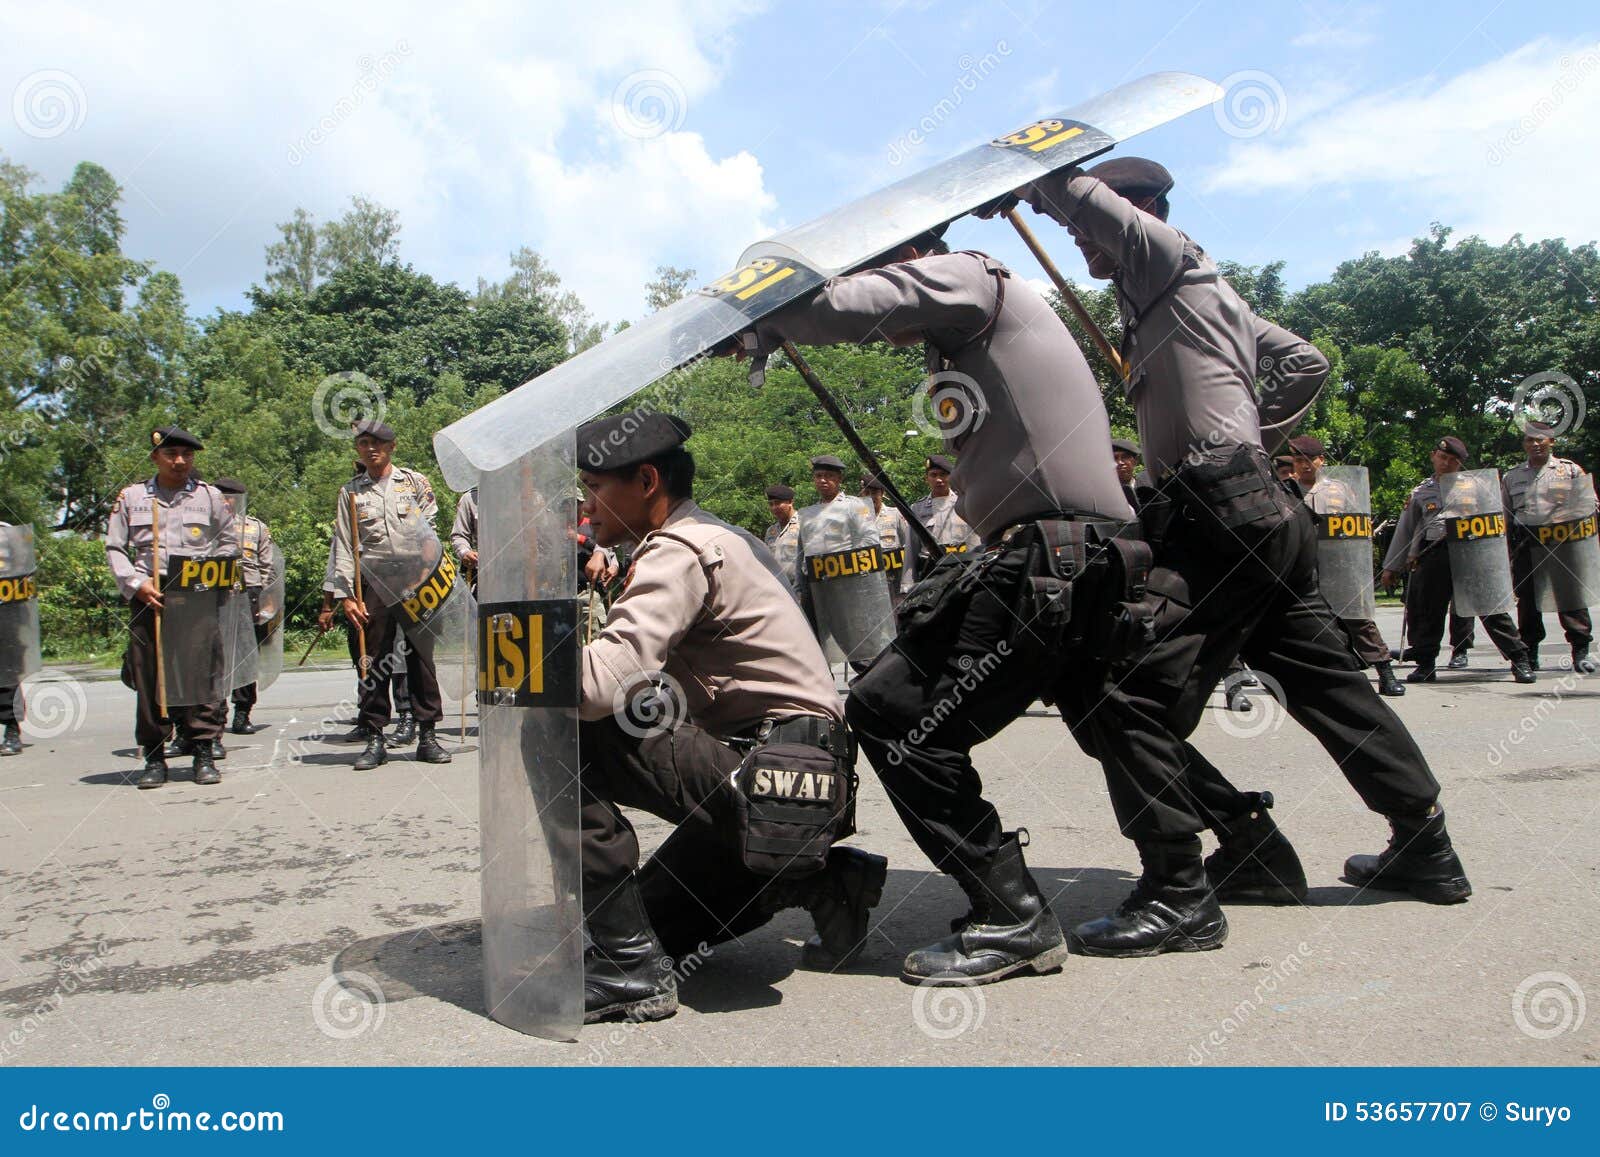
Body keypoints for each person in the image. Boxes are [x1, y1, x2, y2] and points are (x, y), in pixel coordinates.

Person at [1013, 156, 1471, 943]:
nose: (1080, 240)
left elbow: (1082, 194)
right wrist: (1249, 438)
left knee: (1119, 694)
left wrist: (1029, 183)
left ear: (1142, 211)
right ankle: (1425, 841)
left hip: (1217, 518)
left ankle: (1180, 890)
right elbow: (1304, 361)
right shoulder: (1193, 296)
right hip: (1257, 510)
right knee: (1330, 686)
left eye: (1088, 228)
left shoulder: (1164, 256)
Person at [747, 228, 1144, 983]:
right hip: (1066, 556)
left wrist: (758, 308)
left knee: (893, 714)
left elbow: (851, 305)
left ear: (909, 256)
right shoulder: (969, 333)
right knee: (1117, 718)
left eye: (879, 269)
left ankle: (1014, 914)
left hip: (1051, 558)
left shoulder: (970, 277)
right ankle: (1211, 863)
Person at [574, 410, 886, 1022]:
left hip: (770, 773)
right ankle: (819, 876)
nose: (587, 507)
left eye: (595, 488)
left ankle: (630, 971)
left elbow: (596, 688)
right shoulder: (718, 534)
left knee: (562, 735)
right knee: (659, 924)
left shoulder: (679, 551)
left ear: (646, 482)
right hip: (801, 781)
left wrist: (528, 656)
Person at [105, 427, 237, 788]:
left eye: (187, 455)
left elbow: (228, 542)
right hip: (150, 595)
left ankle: (203, 750)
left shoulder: (209, 496)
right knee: (150, 677)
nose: (180, 461)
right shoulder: (132, 497)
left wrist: (213, 575)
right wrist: (136, 584)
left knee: (200, 673)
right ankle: (154, 755)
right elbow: (115, 547)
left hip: (195, 597)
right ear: (155, 457)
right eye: (171, 454)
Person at [327, 420, 453, 770]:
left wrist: (426, 575)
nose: (371, 449)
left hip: (416, 576)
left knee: (421, 658)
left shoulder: (414, 482)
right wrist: (347, 596)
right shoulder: (350, 492)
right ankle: (374, 737)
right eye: (364, 443)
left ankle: (427, 735)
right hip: (373, 579)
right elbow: (344, 544)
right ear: (357, 448)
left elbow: (430, 534)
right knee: (372, 659)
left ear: (392, 446)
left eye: (378, 442)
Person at [1380, 436, 1534, 684]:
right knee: (1428, 611)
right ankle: (1425, 665)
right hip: (1434, 554)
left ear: (1460, 463)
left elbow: (1496, 525)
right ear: (1433, 456)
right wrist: (1391, 567)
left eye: (1453, 460)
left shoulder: (1477, 487)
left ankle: (1520, 660)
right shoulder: (1420, 492)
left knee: (1490, 608)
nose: (1446, 463)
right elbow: (1405, 531)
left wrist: (1500, 561)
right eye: (1443, 457)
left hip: (1472, 552)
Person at [1288, 437, 1405, 697]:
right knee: (1307, 621)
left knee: (1358, 619)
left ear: (1321, 460)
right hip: (1303, 565)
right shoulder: (1286, 490)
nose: (1304, 465)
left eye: (1309, 460)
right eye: (1298, 460)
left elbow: (1357, 528)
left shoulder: (1339, 490)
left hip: (1339, 564)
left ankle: (1385, 671)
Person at [1503, 420, 1596, 673]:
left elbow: (1591, 505)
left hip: (1562, 543)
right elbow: (1505, 516)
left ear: (1551, 441)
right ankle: (1530, 652)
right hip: (1527, 545)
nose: (1535, 444)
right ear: (1524, 444)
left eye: (1540, 439)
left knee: (1570, 596)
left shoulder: (1569, 471)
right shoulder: (1512, 477)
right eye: (1529, 440)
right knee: (1528, 601)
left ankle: (1580, 650)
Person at [793, 454, 892, 672]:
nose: (823, 480)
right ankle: (822, 684)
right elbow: (802, 552)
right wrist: (799, 587)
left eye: (829, 476)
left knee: (855, 643)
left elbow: (869, 540)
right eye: (818, 476)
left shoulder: (854, 506)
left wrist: (846, 565)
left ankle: (873, 680)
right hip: (815, 585)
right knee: (813, 641)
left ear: (839, 479)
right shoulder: (809, 513)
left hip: (845, 583)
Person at [212, 478, 281, 733]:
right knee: (215, 655)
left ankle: (242, 712)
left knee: (246, 655)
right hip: (216, 593)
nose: (227, 501)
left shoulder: (255, 527)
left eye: (232, 497)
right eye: (222, 497)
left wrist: (267, 598)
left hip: (249, 593)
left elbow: (268, 565)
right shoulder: (206, 526)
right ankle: (216, 713)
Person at [907, 455, 980, 582]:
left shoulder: (964, 502)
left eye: (943, 474)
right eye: (933, 475)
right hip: (931, 572)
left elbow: (976, 541)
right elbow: (911, 548)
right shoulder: (917, 509)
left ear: (951, 477)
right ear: (926, 479)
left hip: (964, 570)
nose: (939, 479)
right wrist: (907, 583)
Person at [862, 472, 910, 608]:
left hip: (894, 581)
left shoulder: (895, 514)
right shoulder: (857, 519)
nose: (871, 497)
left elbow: (907, 545)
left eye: (874, 493)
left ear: (882, 493)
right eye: (867, 493)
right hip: (869, 583)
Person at [763, 483, 802, 599]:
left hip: (802, 592)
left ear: (790, 502)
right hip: (780, 592)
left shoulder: (804, 524)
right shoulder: (771, 531)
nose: (774, 508)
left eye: (778, 503)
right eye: (771, 504)